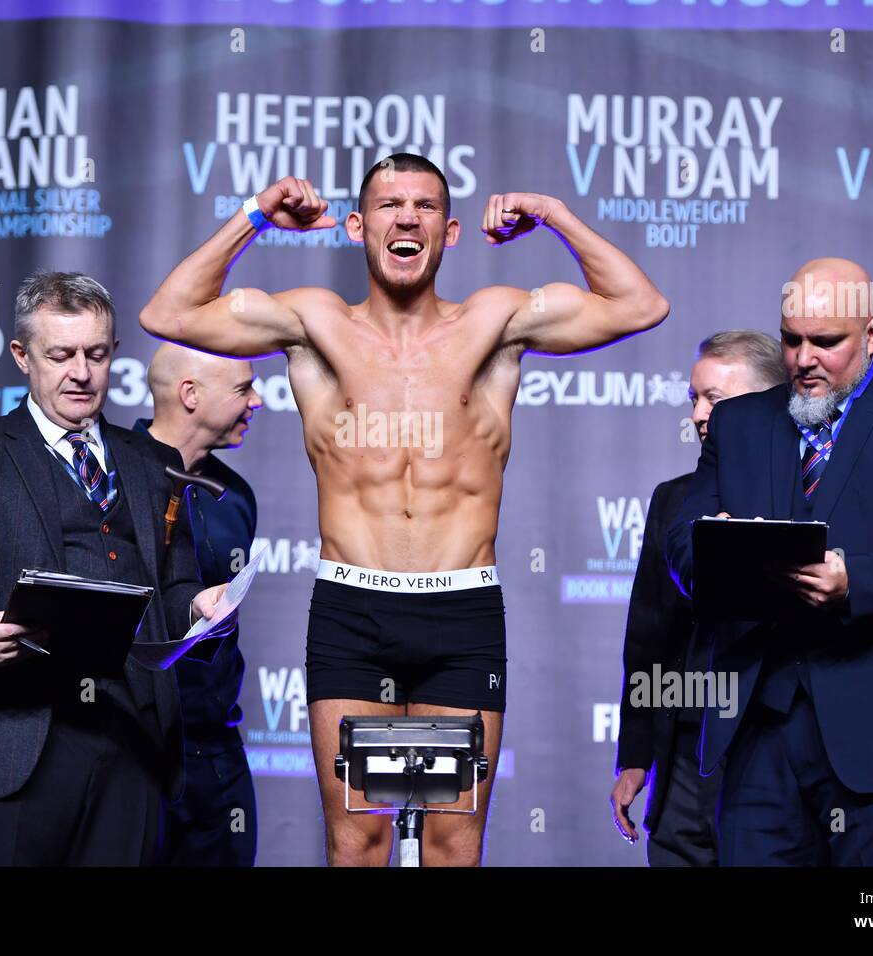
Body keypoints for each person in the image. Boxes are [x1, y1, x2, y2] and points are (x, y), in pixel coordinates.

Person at [139, 154, 669, 865]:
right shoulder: (312, 324)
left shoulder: (495, 323)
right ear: (358, 226)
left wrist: (553, 214)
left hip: (462, 615)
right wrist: (258, 213)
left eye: (423, 206)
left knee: (454, 846)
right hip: (352, 615)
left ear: (449, 232)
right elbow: (165, 313)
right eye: (389, 205)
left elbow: (640, 305)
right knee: (358, 841)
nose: (406, 217)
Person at [665, 257, 873, 866]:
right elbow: (682, 541)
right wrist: (715, 550)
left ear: (872, 334)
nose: (803, 358)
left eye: (826, 342)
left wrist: (858, 581)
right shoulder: (739, 423)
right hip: (760, 732)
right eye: (792, 338)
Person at [0, 272, 226, 866]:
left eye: (96, 354)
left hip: (132, 739)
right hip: (7, 741)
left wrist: (200, 607)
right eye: (61, 354)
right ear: (22, 356)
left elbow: (173, 583)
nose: (81, 372)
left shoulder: (155, 462)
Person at [611, 330, 786, 865]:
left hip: (773, 742)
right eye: (695, 398)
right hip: (687, 743)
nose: (700, 414)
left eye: (718, 399)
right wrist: (635, 756)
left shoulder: (810, 492)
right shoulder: (672, 500)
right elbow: (648, 633)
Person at [134, 343, 262, 866]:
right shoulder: (110, 474)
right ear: (190, 394)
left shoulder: (235, 496)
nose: (258, 401)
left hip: (217, 755)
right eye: (243, 389)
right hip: (131, 750)